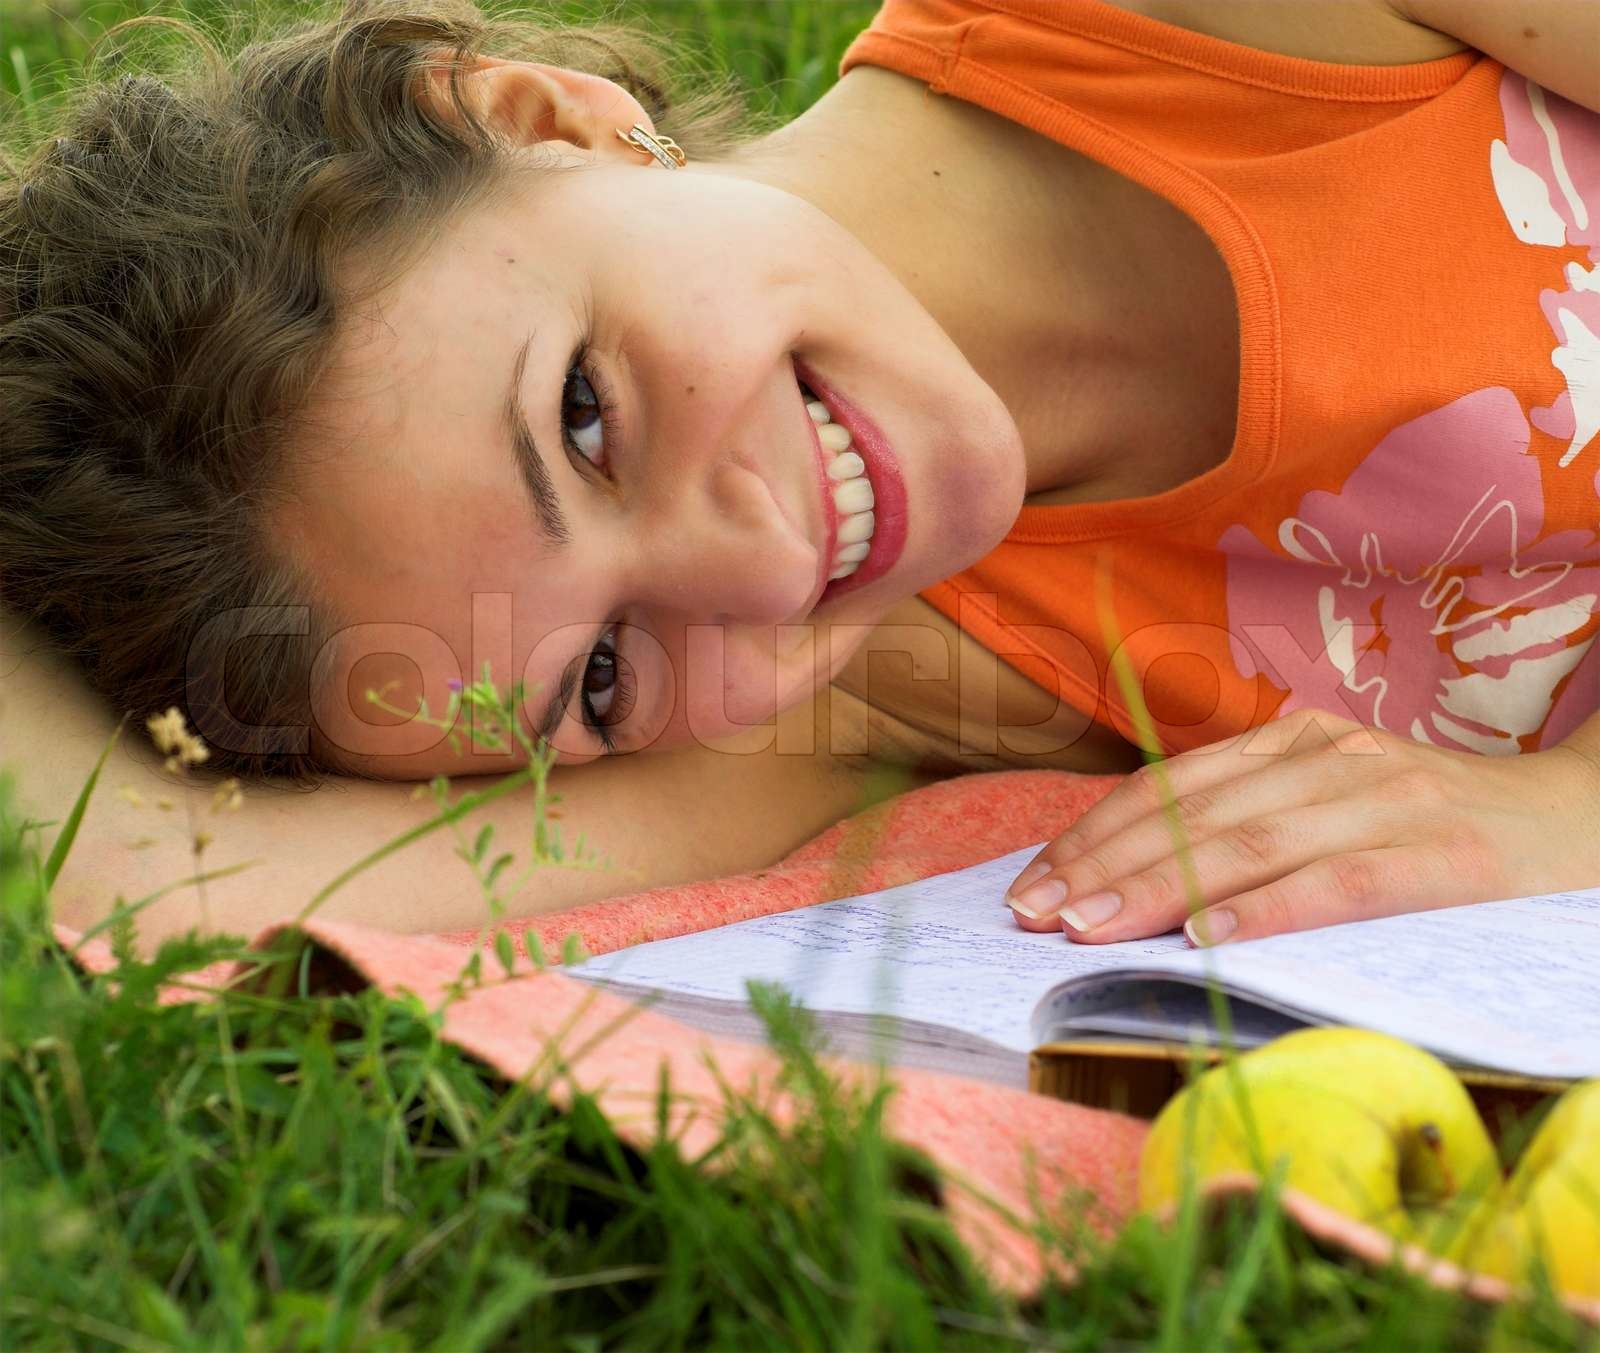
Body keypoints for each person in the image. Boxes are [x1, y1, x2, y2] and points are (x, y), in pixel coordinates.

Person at [2, 0, 1596, 951]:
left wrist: (1571, 805)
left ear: (549, 119)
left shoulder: (1222, 28)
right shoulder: (875, 691)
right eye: (603, 673)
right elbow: (147, 885)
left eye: (584, 419)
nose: (764, 577)